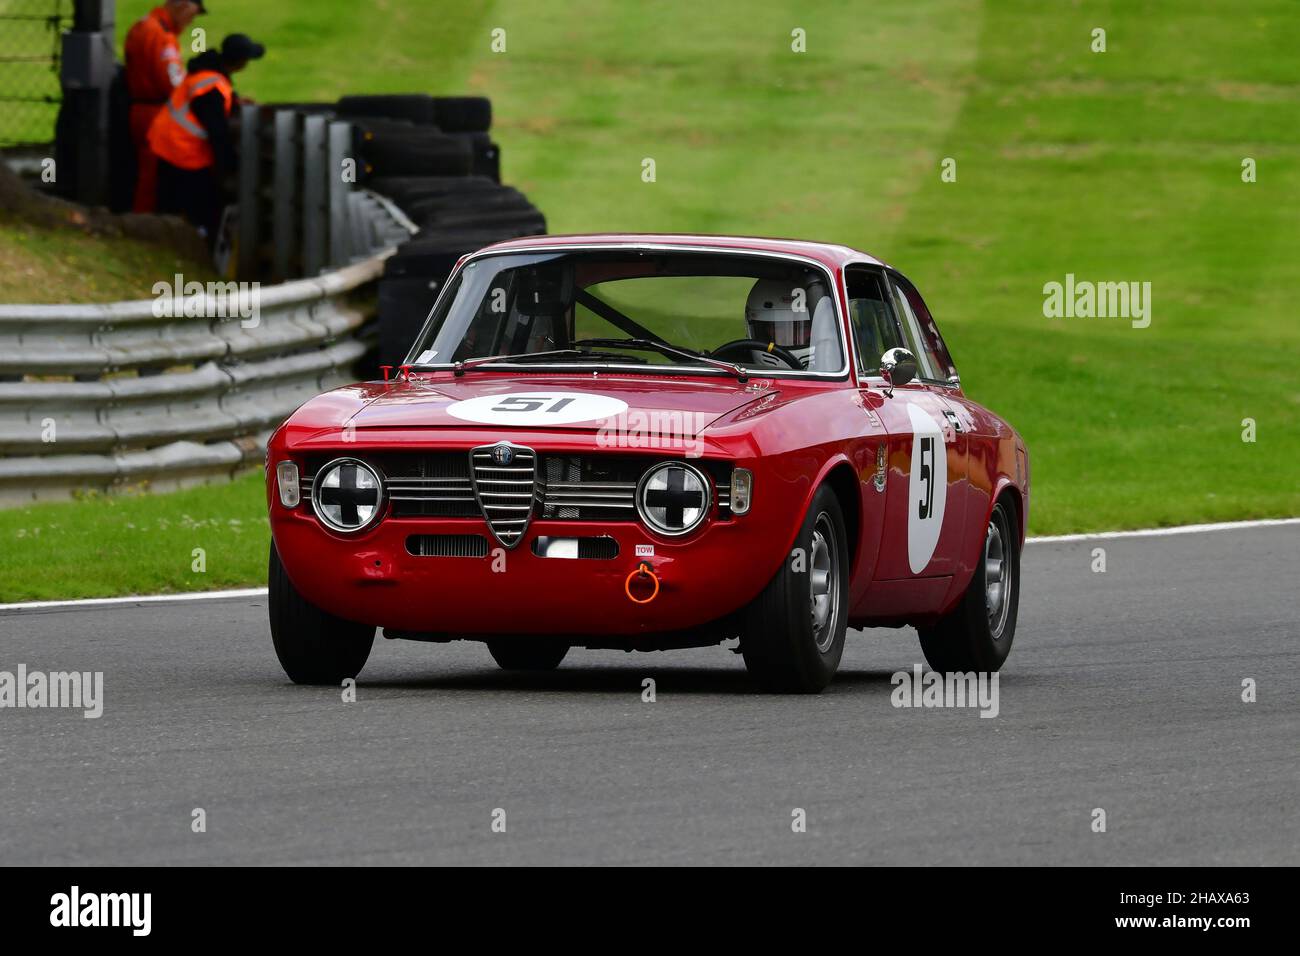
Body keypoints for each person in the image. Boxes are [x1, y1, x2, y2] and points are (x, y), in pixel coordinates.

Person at [148, 34, 265, 246]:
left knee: (168, 203)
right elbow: (217, 131)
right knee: (206, 207)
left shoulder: (208, 74)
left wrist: (235, 103)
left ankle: (163, 242)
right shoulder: (213, 86)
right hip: (183, 151)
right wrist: (231, 165)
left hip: (168, 144)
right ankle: (200, 248)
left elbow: (209, 106)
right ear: (241, 63)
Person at [123, 1, 206, 213]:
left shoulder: (142, 25)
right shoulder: (162, 37)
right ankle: (145, 227)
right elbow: (173, 84)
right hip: (155, 115)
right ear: (183, 6)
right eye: (192, 16)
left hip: (139, 110)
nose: (191, 23)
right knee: (152, 179)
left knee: (142, 174)